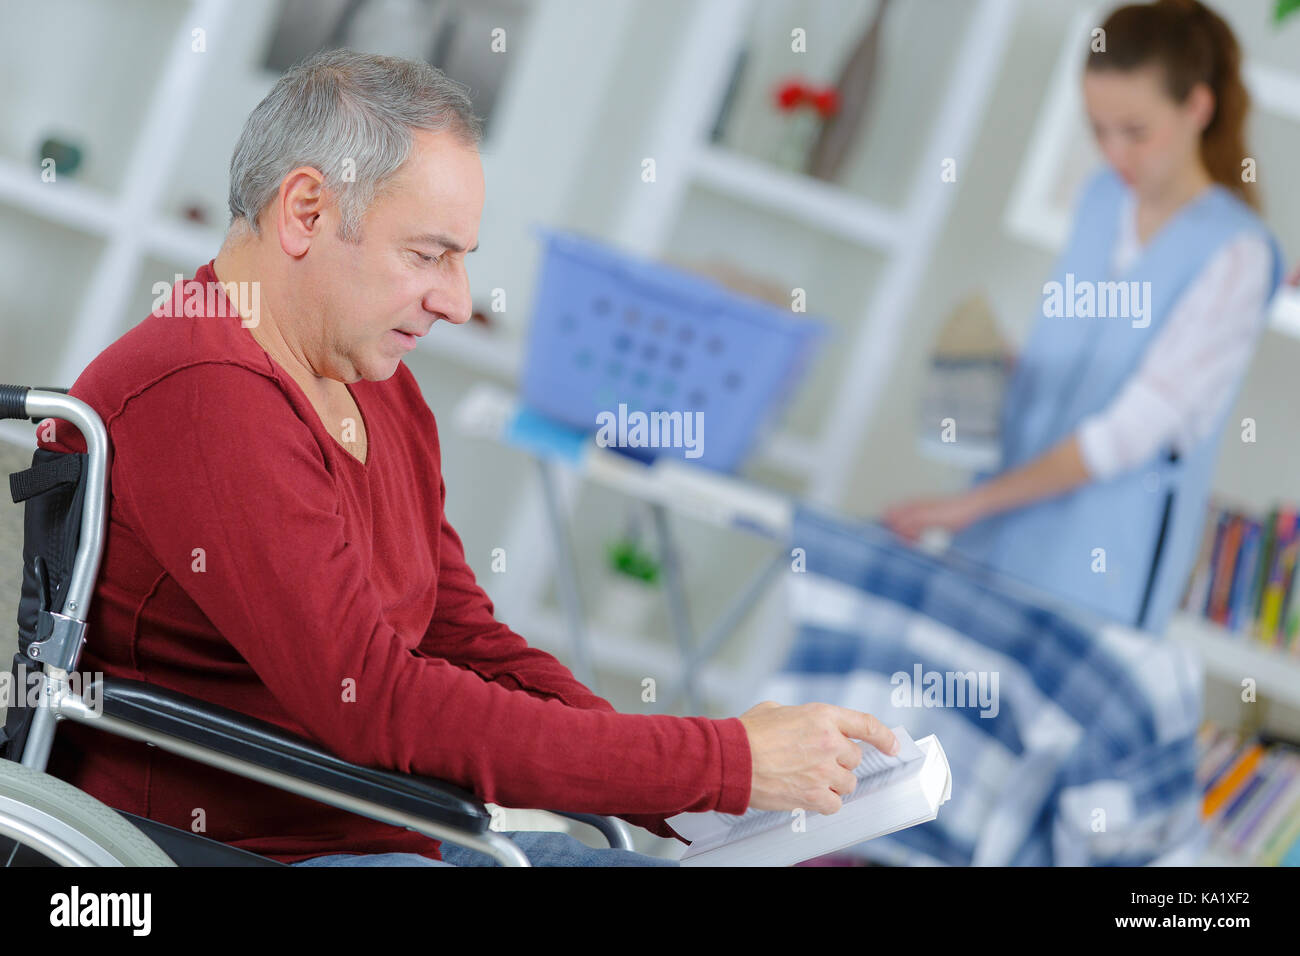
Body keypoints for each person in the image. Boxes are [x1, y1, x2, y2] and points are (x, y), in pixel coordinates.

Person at [38, 49, 897, 867]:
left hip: (393, 836)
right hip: (241, 850)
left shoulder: (369, 376)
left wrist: (693, 791)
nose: (454, 300)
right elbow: (375, 701)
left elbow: (461, 638)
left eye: (461, 260)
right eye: (427, 255)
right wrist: (718, 761)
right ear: (305, 212)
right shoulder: (203, 393)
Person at [884, 0, 1284, 634]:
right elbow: (1081, 350)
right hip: (997, 532)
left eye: (1134, 130)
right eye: (1097, 129)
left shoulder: (1237, 253)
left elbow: (1129, 433)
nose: (1113, 152)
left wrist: (967, 505)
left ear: (1197, 110)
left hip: (1097, 567)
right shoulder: (1100, 200)